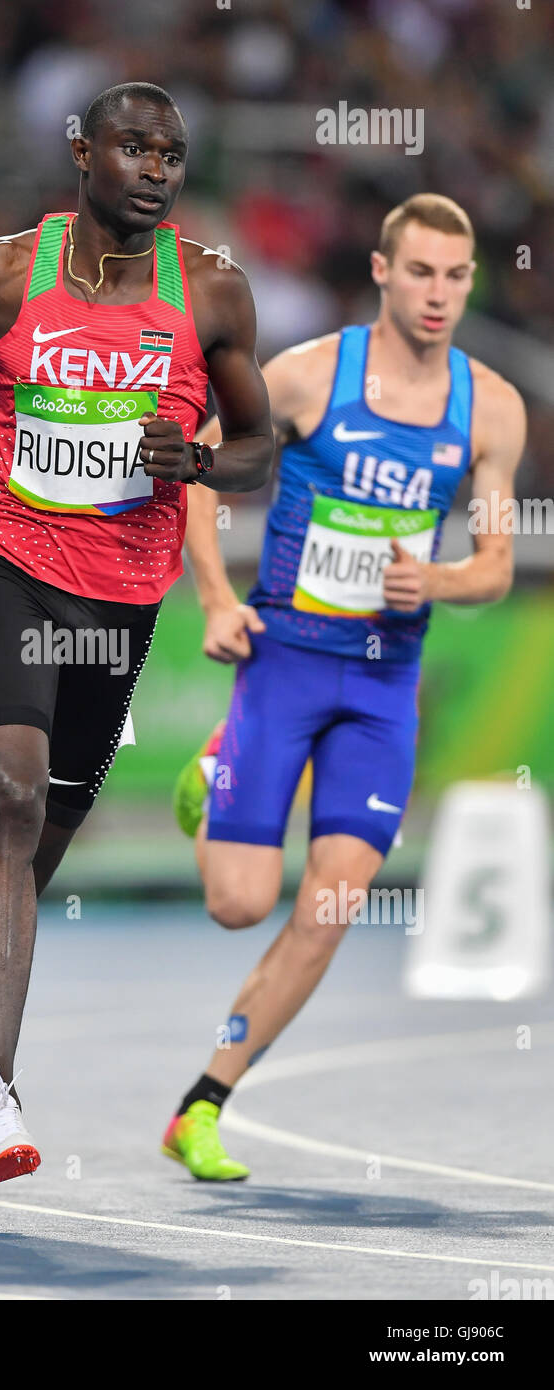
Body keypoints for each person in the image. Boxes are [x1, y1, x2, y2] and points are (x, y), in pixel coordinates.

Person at [0, 82, 274, 1186]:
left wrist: (204, 465)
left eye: (174, 155)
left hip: (120, 601)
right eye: (134, 147)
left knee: (39, 848)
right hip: (7, 562)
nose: (156, 170)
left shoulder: (214, 293)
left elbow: (262, 448)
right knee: (12, 793)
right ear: (82, 151)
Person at [162, 194, 526, 1181]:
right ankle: (214, 768)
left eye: (457, 276)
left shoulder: (490, 406)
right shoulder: (309, 378)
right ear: (381, 270)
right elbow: (197, 471)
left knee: (331, 908)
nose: (440, 293)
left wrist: (439, 579)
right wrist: (214, 598)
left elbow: (495, 566)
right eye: (422, 272)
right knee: (240, 903)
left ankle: (204, 1101)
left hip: (383, 688)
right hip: (284, 662)